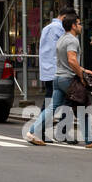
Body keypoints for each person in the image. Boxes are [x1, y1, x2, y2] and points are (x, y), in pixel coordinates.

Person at [55, 13, 92, 148]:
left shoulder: (61, 39)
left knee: (55, 107)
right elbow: (72, 60)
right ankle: (89, 140)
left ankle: (34, 131)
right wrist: (81, 76)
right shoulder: (72, 40)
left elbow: (68, 61)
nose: (81, 26)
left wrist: (83, 71)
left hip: (58, 77)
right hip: (68, 78)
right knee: (82, 107)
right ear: (73, 26)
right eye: (79, 24)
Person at [25, 8, 71, 146]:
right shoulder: (59, 28)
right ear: (64, 18)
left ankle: (40, 131)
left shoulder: (46, 28)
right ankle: (60, 133)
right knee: (65, 101)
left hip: (48, 70)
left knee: (50, 101)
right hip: (58, 70)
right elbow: (63, 49)